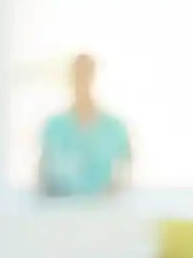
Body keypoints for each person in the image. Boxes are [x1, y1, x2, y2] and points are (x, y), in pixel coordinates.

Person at [38, 54, 133, 198]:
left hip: (105, 212)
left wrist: (112, 192)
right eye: (78, 76)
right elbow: (43, 176)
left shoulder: (115, 128)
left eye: (87, 75)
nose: (83, 82)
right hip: (62, 211)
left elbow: (126, 173)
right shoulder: (54, 127)